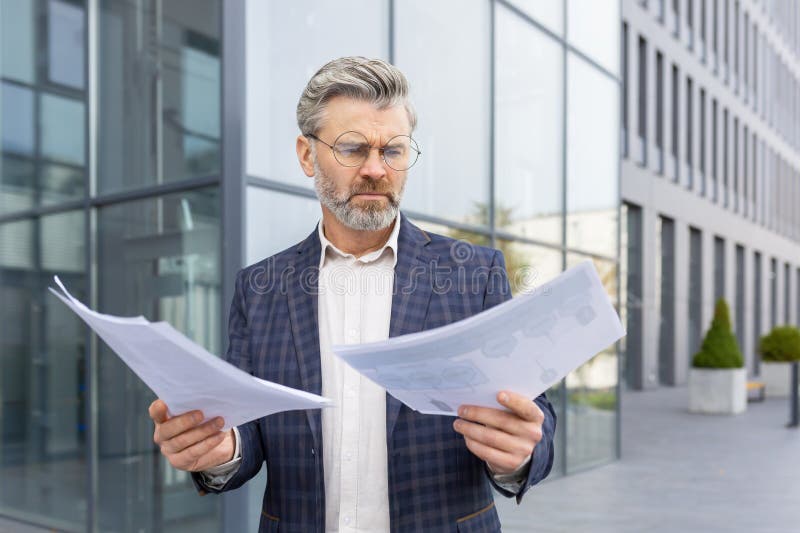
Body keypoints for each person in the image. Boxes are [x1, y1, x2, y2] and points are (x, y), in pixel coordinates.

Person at [149, 56, 556, 532]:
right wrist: (221, 451)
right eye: (353, 148)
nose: (376, 170)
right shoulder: (260, 288)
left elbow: (535, 417)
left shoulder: (474, 274)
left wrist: (519, 453)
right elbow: (249, 432)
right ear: (306, 155)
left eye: (394, 151)